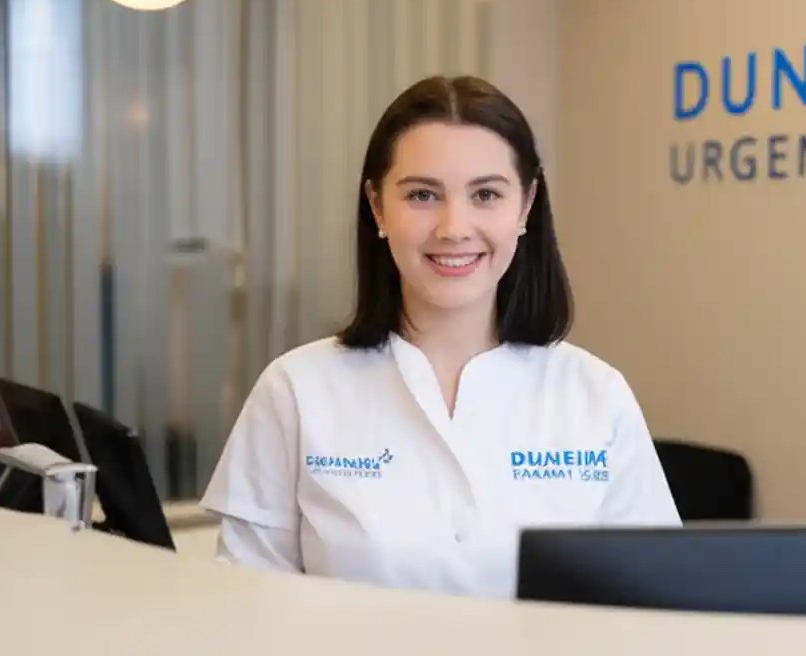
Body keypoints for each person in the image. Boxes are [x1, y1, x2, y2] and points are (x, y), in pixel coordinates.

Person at [200, 75, 680, 599]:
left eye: (486, 194)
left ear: (525, 207)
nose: (454, 227)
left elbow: (650, 601)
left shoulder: (596, 394)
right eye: (423, 194)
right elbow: (246, 604)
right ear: (378, 206)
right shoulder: (295, 389)